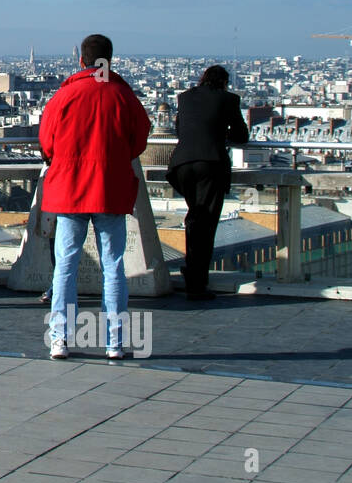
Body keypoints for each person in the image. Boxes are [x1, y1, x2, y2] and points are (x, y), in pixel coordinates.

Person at [40, 34, 150, 359]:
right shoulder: (123, 95)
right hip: (110, 188)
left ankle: (60, 339)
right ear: (110, 59)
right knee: (113, 265)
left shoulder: (65, 95)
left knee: (66, 265)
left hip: (69, 190)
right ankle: (114, 343)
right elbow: (140, 138)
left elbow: (46, 141)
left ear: (81, 60)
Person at [166, 65, 249, 302]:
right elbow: (241, 135)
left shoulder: (185, 98)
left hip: (181, 165)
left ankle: (192, 272)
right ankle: (196, 282)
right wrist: (220, 135)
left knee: (195, 218)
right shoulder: (229, 99)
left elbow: (180, 129)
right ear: (224, 82)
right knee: (205, 223)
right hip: (210, 164)